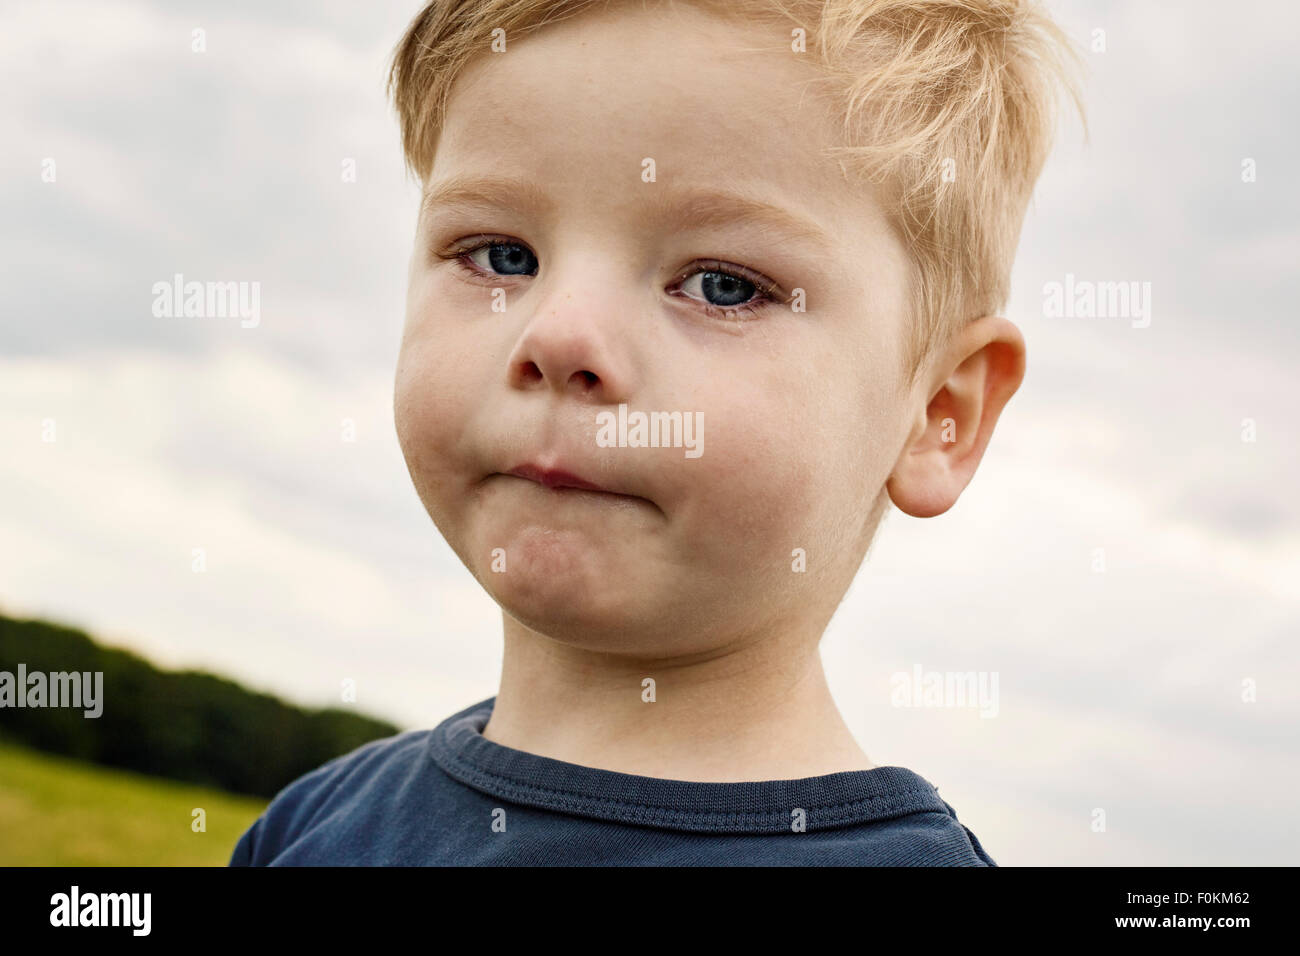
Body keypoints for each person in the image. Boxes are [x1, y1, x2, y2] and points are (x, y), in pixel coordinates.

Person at [231, 0, 1082, 866]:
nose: (560, 337)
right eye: (501, 256)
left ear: (942, 412)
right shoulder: (318, 825)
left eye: (720, 285)